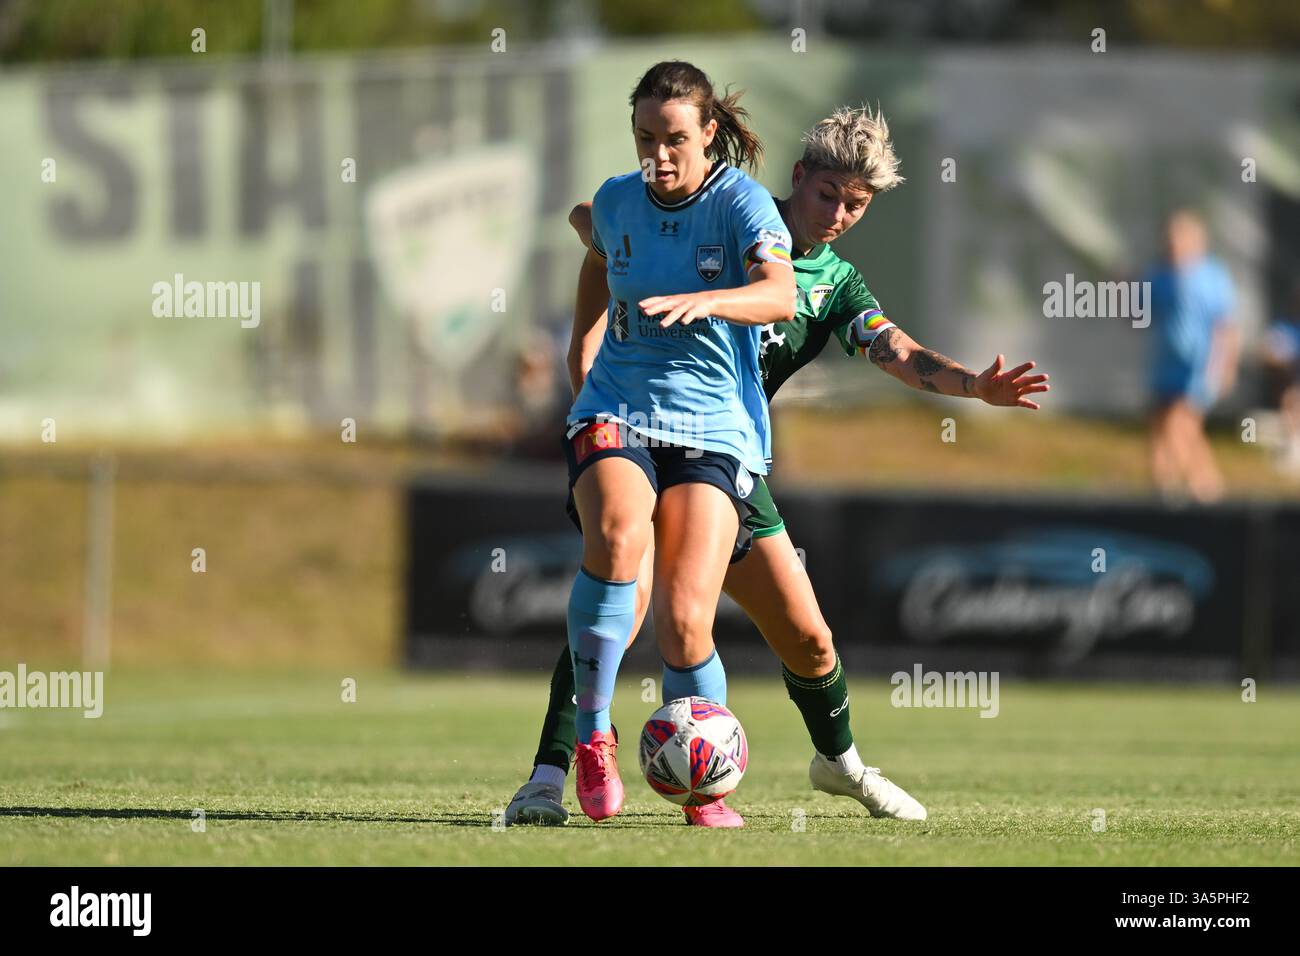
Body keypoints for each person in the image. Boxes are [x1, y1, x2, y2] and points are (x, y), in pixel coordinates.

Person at [507, 105, 1048, 828]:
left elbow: (902, 355)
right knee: (618, 609)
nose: (839, 214)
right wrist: (586, 342)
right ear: (798, 178)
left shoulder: (833, 284)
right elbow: (595, 224)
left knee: (810, 639)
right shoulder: (727, 213)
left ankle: (840, 765)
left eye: (857, 204)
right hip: (639, 430)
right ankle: (547, 779)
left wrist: (973, 386)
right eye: (829, 194)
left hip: (722, 459)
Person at [561, 60, 797, 825]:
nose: (657, 157)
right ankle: (593, 738)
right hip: (618, 407)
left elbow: (780, 295)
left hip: (711, 426)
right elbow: (595, 243)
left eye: (673, 140)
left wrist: (710, 300)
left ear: (709, 136)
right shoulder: (620, 199)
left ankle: (703, 789)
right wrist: (581, 343)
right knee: (619, 534)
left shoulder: (742, 204)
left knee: (686, 619)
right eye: (644, 139)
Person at [1145, 210, 1239, 502]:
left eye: (1181, 237)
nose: (1174, 243)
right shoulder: (1160, 276)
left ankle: (1207, 493)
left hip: (1198, 366)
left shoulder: (1212, 277)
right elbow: (1139, 315)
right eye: (1170, 237)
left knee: (1180, 425)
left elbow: (1227, 326)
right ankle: (1165, 494)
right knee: (1162, 428)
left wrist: (1224, 366)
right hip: (1165, 367)